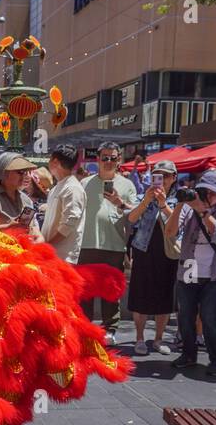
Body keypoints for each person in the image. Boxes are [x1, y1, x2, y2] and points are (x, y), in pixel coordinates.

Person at [165, 169, 216, 375]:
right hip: (190, 267)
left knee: (208, 315)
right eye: (203, 191)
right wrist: (181, 204)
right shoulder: (189, 207)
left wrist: (204, 212)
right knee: (186, 314)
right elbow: (170, 232)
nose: (208, 196)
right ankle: (189, 354)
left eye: (213, 192)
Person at [79, 143, 138, 342]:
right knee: (85, 290)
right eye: (105, 157)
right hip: (86, 244)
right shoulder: (84, 183)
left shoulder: (127, 185)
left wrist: (120, 203)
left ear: (119, 160)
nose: (109, 162)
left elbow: (134, 214)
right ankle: (85, 328)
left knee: (111, 290)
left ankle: (109, 329)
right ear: (97, 159)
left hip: (114, 245)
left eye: (113, 158)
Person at [125, 159, 180, 355]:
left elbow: (178, 225)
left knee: (164, 297)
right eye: (158, 176)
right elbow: (130, 219)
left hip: (167, 252)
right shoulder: (143, 195)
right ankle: (139, 338)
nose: (162, 180)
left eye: (166, 176)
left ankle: (158, 339)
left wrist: (163, 204)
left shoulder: (178, 200)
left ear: (174, 178)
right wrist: (146, 201)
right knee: (140, 295)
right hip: (143, 249)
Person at [40, 146, 86, 263]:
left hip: (63, 257)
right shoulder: (59, 187)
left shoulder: (72, 188)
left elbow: (68, 225)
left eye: (49, 158)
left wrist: (47, 245)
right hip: (53, 255)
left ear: (55, 161)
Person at [0, 151, 39, 237]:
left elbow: (33, 229)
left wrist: (38, 236)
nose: (24, 176)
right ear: (4, 173)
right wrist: (8, 227)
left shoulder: (26, 200)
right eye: (20, 172)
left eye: (25, 172)